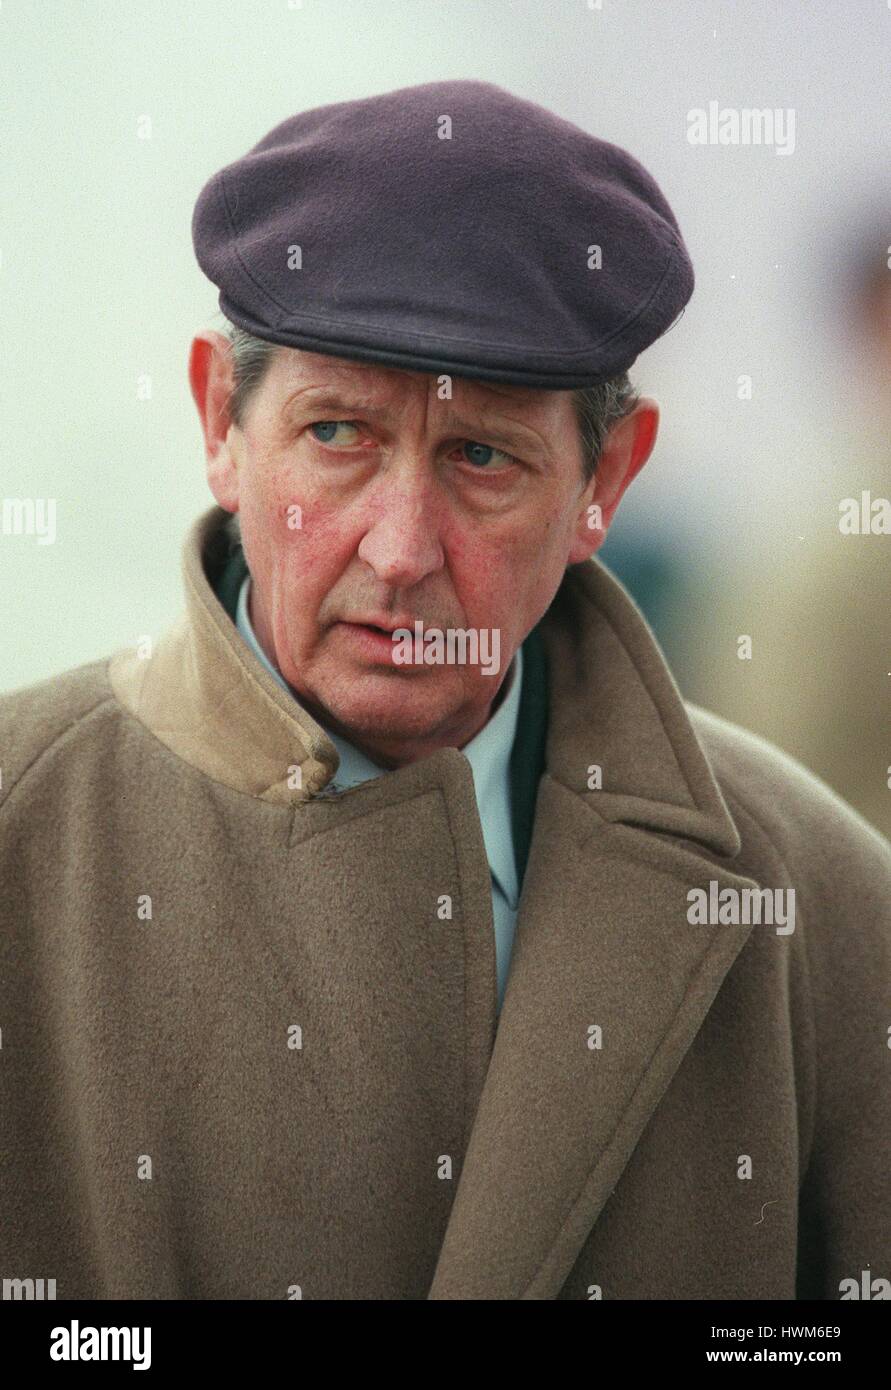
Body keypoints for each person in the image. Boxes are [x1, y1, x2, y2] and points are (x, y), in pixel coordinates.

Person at [1, 80, 888, 1301]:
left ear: (605, 484)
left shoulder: (820, 904)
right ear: (220, 417)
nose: (400, 547)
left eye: (483, 456)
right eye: (337, 435)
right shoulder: (20, 837)